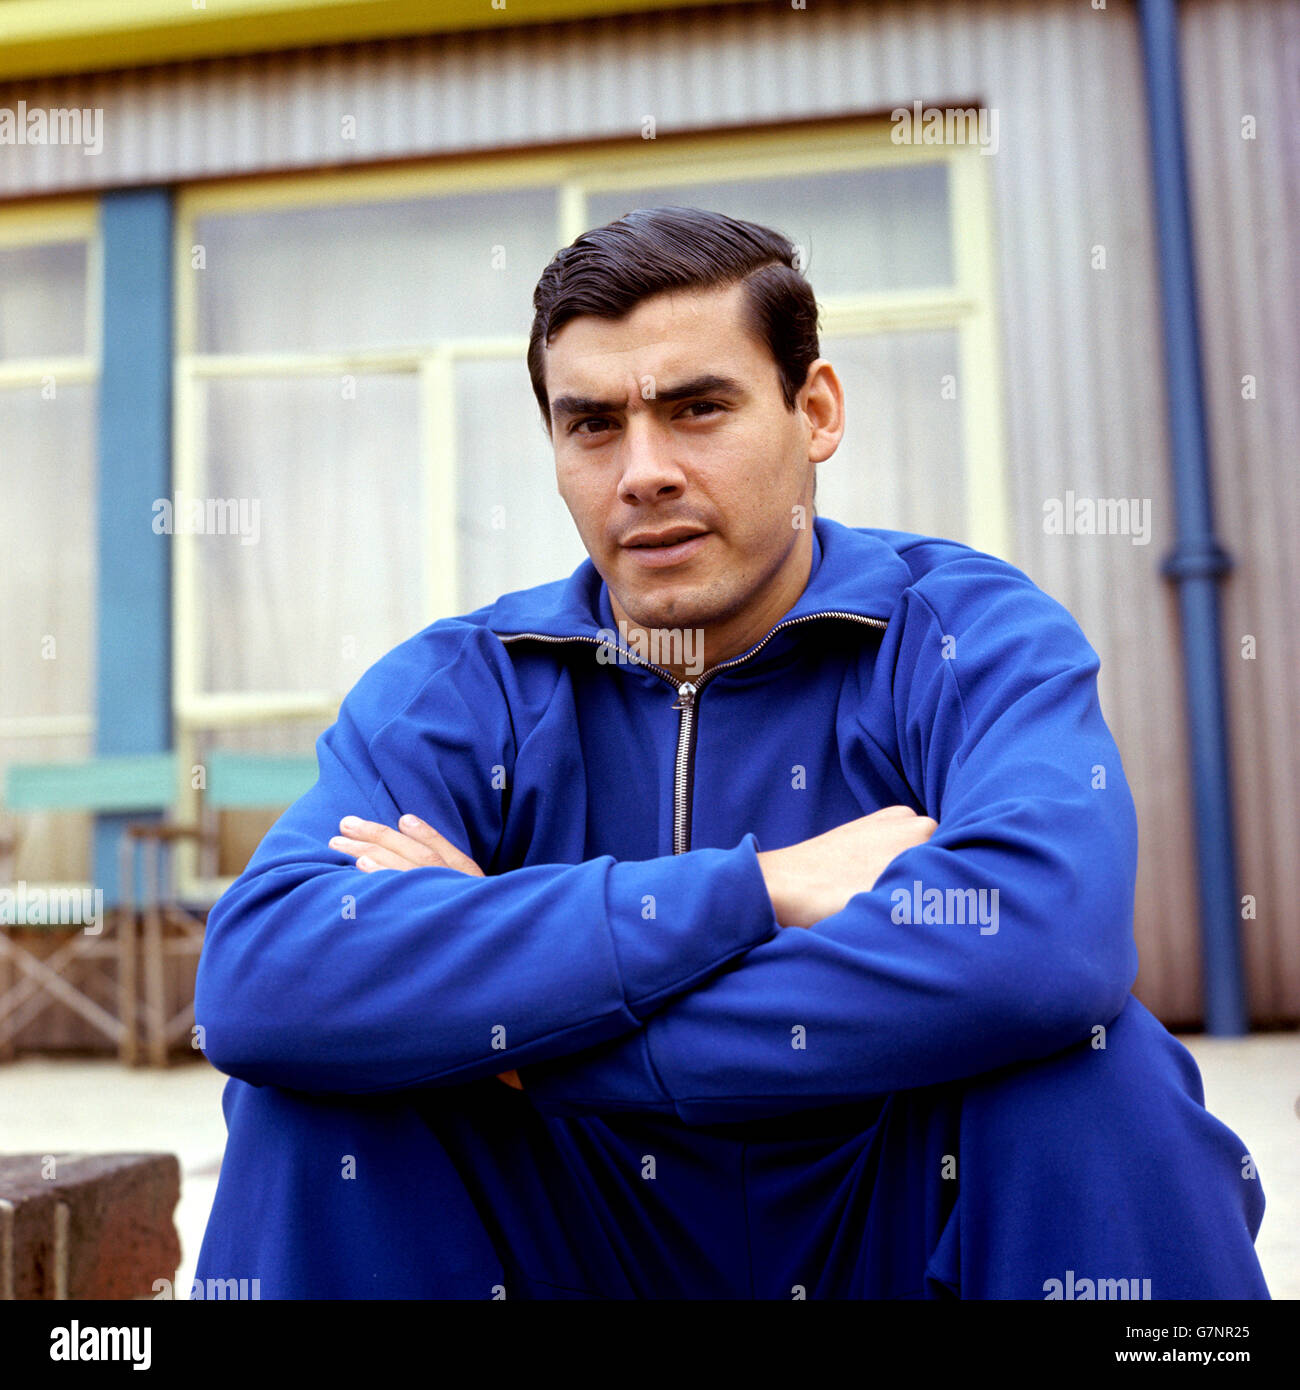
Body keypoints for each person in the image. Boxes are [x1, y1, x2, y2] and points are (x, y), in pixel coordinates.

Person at [193, 206, 1268, 1300]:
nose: (643, 471)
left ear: (816, 410)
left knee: (1094, 1069)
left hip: (883, 1218)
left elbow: (1042, 939)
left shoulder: (965, 634)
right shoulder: (465, 687)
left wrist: (534, 1035)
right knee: (307, 1095)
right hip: (575, 1235)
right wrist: (757, 887)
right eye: (594, 425)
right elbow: (263, 975)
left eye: (697, 408)